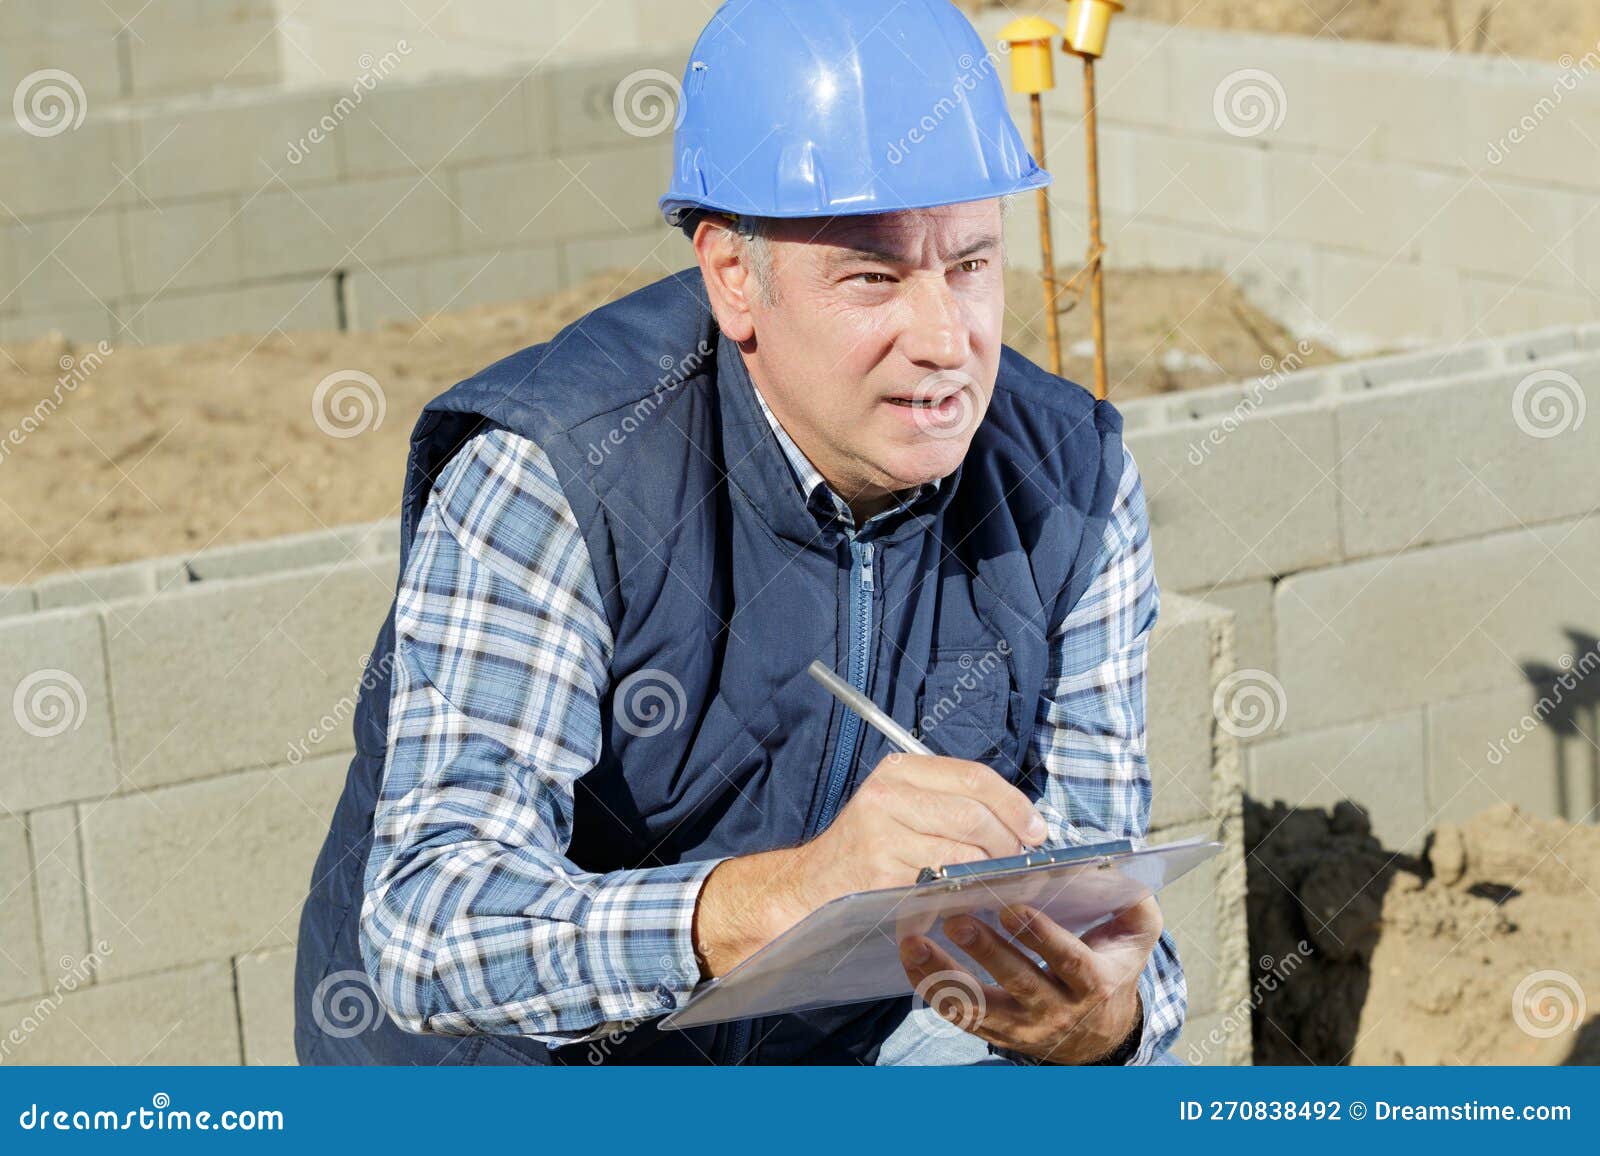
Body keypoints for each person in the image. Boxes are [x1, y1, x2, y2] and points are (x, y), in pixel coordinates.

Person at [294, 0, 1185, 1066]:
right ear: (732, 276)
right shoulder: (558, 474)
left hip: (830, 1047)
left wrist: (1102, 1023)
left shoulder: (1070, 484)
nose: (947, 340)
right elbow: (431, 924)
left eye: (970, 264)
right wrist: (786, 898)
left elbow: (1107, 913)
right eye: (873, 276)